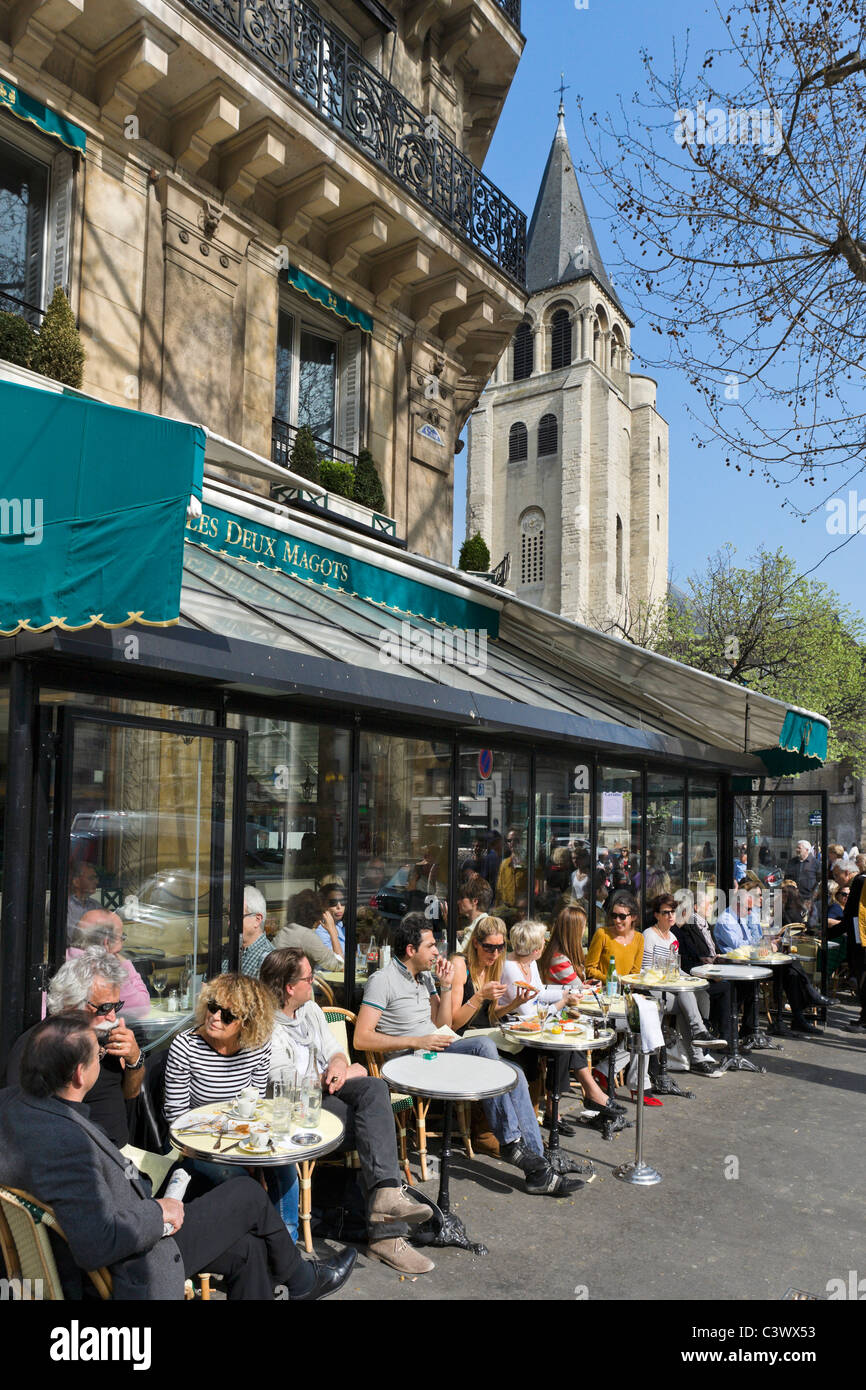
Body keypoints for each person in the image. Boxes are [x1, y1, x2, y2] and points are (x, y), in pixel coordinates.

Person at [0, 1014, 355, 1300]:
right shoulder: (67, 1143)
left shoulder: (13, 1105)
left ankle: (300, 1277)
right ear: (80, 1074)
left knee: (250, 1250)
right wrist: (158, 1212)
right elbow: (97, 1242)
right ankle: (302, 1278)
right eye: (98, 1055)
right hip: (130, 1268)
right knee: (246, 1195)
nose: (104, 1058)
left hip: (115, 1238)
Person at [353, 913, 583, 1196]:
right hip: (410, 1060)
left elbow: (443, 1024)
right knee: (491, 1051)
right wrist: (418, 1040)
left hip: (436, 1047)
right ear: (411, 950)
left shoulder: (425, 977)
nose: (437, 951)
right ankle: (518, 1150)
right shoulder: (382, 980)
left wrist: (446, 986)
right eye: (430, 946)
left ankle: (537, 1162)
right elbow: (361, 1038)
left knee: (514, 1072)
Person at [260, 948, 433, 1276]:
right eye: (309, 978)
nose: (315, 982)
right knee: (375, 1127)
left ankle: (386, 1199)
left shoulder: (310, 1009)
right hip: (292, 1111)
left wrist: (340, 1065)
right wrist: (342, 1073)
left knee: (375, 1089)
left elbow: (334, 1050)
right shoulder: (265, 1025)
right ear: (287, 986)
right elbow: (283, 1082)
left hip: (324, 1095)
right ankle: (386, 1235)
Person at [163, 972, 300, 1238]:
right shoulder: (186, 1046)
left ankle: (286, 1241)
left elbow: (257, 1102)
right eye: (213, 1007)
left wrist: (247, 1147)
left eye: (228, 1015)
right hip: (200, 1144)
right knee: (243, 1183)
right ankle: (268, 1245)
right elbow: (175, 1115)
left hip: (242, 1137)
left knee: (284, 1166)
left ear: (247, 1022)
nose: (215, 1017)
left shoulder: (257, 1046)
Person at [6, 950, 144, 1148]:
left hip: (119, 1153)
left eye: (117, 1006)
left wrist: (134, 1060)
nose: (112, 1017)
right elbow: (24, 1127)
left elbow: (130, 1095)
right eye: (104, 1008)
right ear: (72, 1002)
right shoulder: (40, 1047)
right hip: (81, 1161)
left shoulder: (105, 1034)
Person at [714, 881, 827, 1034]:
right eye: (748, 908)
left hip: (750, 962)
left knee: (790, 969)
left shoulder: (742, 916)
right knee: (788, 967)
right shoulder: (727, 920)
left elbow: (752, 941)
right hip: (737, 965)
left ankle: (794, 1018)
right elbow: (741, 948)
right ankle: (808, 1000)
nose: (750, 911)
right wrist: (766, 945)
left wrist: (767, 942)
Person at [642, 895, 725, 1076]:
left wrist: (691, 978)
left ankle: (698, 1050)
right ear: (657, 915)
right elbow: (645, 971)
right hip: (652, 989)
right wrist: (673, 978)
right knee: (685, 997)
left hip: (669, 989)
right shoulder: (649, 935)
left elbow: (676, 969)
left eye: (673, 912)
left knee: (686, 996)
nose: (671, 916)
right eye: (666, 912)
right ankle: (699, 1041)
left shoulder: (672, 936)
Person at [673, 886, 757, 1045]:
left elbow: (711, 951)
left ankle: (742, 1032)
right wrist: (711, 962)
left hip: (713, 970)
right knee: (728, 987)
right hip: (699, 976)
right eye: (709, 904)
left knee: (747, 983)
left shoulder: (704, 925)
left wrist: (716, 959)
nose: (712, 907)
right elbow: (692, 958)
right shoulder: (687, 929)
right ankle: (728, 1038)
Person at [67, 910, 151, 1018]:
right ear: (106, 942)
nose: (122, 942)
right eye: (122, 937)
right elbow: (141, 1008)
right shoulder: (103, 969)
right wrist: (124, 963)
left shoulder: (65, 959)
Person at [271, 890, 344, 972]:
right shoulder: (306, 936)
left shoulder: (288, 930)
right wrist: (332, 930)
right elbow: (339, 964)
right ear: (318, 914)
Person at [239, 886, 274, 978]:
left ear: (257, 920)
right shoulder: (226, 950)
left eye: (237, 917)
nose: (229, 923)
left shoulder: (268, 959)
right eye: (229, 916)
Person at [456, 873, 494, 952]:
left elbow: (460, 953)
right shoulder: (483, 921)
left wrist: (449, 926)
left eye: (462, 898)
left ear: (475, 901)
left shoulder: (479, 926)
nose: (458, 902)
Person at [66, 857, 101, 935]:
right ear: (76, 882)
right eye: (91, 878)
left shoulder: (95, 905)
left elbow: (107, 930)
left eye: (96, 878)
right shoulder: (64, 906)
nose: (96, 882)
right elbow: (71, 937)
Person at [496, 828, 528, 910]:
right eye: (509, 840)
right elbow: (499, 889)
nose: (512, 843)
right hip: (507, 910)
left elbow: (537, 886)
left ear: (520, 841)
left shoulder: (527, 863)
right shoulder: (504, 864)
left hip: (523, 910)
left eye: (515, 840)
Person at [316, 881, 347, 957]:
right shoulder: (320, 932)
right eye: (333, 902)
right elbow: (337, 962)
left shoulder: (343, 926)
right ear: (323, 905)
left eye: (342, 902)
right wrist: (332, 930)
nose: (339, 907)